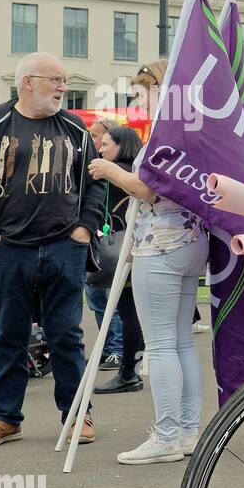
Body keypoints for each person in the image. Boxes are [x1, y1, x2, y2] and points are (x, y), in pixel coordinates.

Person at [0, 53, 106, 449]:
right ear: (27, 82)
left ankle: (76, 415)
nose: (62, 87)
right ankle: (3, 418)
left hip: (63, 247)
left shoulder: (74, 128)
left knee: (66, 336)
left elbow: (95, 184)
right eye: (54, 79)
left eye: (64, 80)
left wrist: (85, 229)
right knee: (8, 334)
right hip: (8, 250)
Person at [96, 61, 208, 464]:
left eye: (143, 91)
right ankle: (189, 430)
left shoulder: (166, 131)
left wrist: (110, 171)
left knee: (161, 345)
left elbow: (148, 188)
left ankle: (166, 435)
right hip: (190, 240)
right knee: (179, 343)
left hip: (159, 242)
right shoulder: (194, 129)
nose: (138, 100)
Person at [87, 125, 146, 393]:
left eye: (106, 144)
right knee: (134, 312)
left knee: (128, 312)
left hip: (125, 250)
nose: (101, 149)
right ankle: (131, 370)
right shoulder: (134, 171)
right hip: (139, 248)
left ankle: (128, 373)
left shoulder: (115, 174)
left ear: (121, 145)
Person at [85, 118, 126, 364]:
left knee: (114, 300)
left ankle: (118, 350)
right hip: (98, 240)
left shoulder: (122, 171)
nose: (94, 142)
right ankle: (107, 345)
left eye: (97, 136)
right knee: (96, 298)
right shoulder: (95, 169)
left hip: (115, 243)